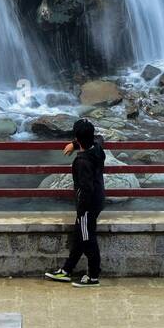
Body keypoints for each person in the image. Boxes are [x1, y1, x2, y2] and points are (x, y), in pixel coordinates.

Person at [43, 118, 106, 287]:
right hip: (97, 199)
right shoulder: (98, 148)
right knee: (79, 236)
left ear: (77, 138)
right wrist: (75, 143)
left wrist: (81, 211)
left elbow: (86, 189)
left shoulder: (82, 161)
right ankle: (67, 270)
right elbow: (99, 138)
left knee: (87, 239)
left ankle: (93, 277)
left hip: (88, 205)